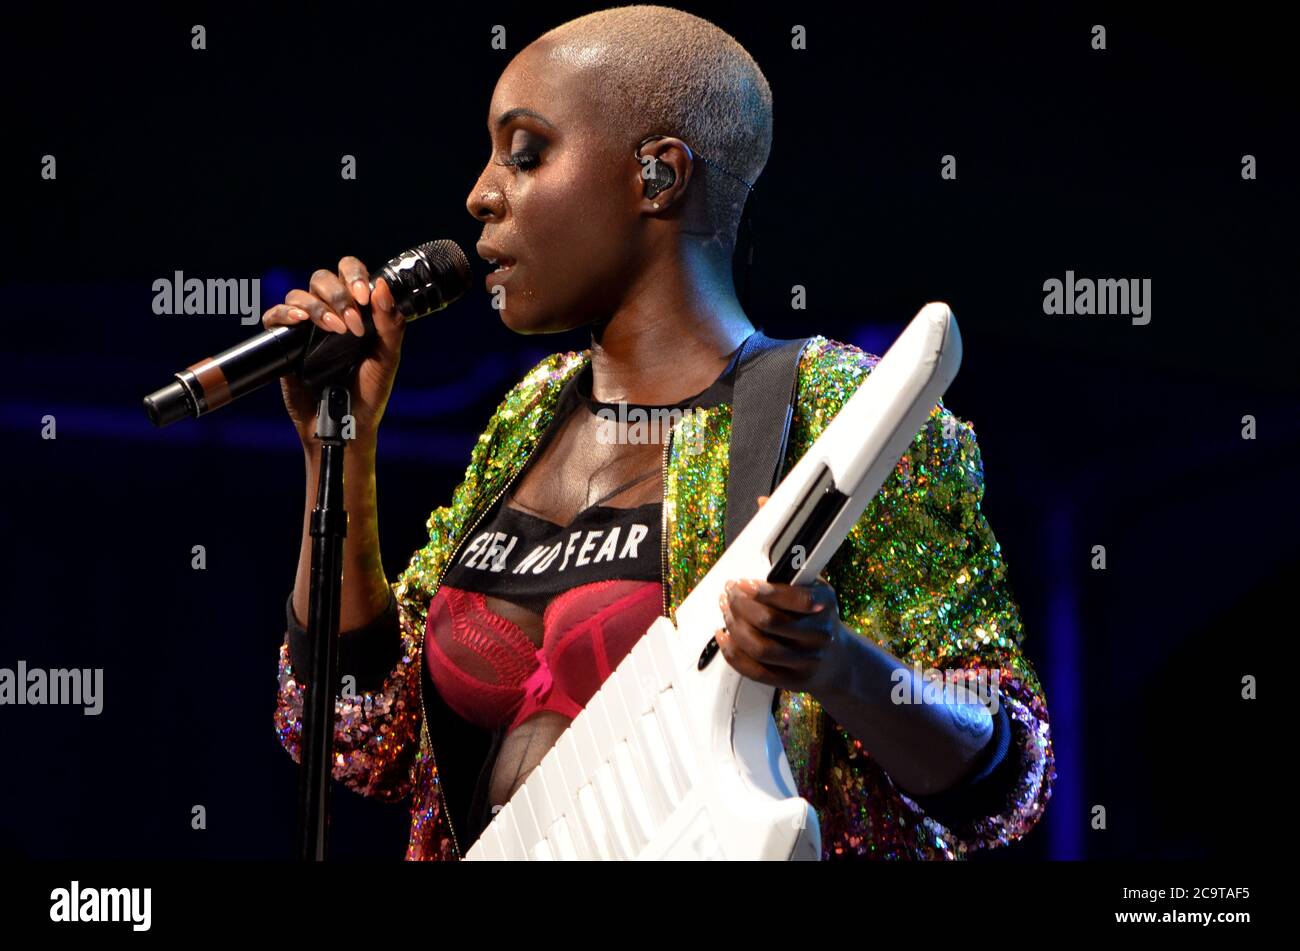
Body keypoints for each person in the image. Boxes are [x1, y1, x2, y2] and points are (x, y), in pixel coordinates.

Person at [268, 5, 1054, 860]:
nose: (480, 194)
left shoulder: (839, 407)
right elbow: (356, 732)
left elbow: (1008, 777)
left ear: (658, 175)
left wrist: (833, 661)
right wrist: (337, 451)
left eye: (525, 153)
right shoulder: (529, 417)